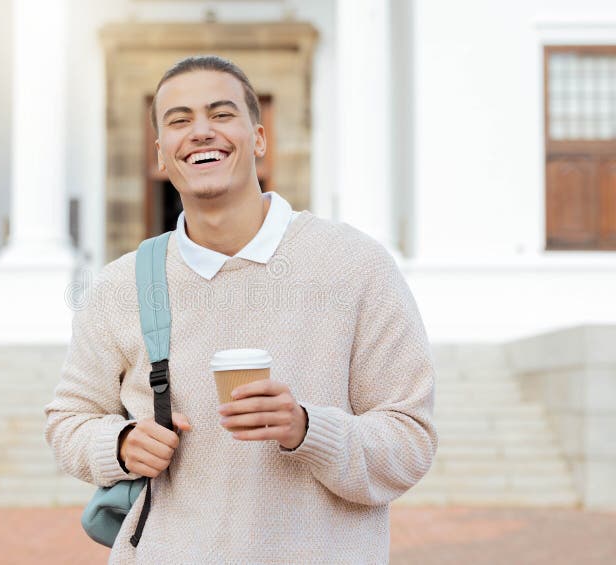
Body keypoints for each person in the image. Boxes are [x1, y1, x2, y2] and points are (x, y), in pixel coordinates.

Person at [45, 55, 437, 564]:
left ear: (259, 139)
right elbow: (68, 420)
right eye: (179, 120)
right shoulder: (121, 285)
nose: (201, 131)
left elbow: (410, 439)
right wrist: (119, 444)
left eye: (221, 114)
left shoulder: (355, 265)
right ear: (161, 154)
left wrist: (307, 428)